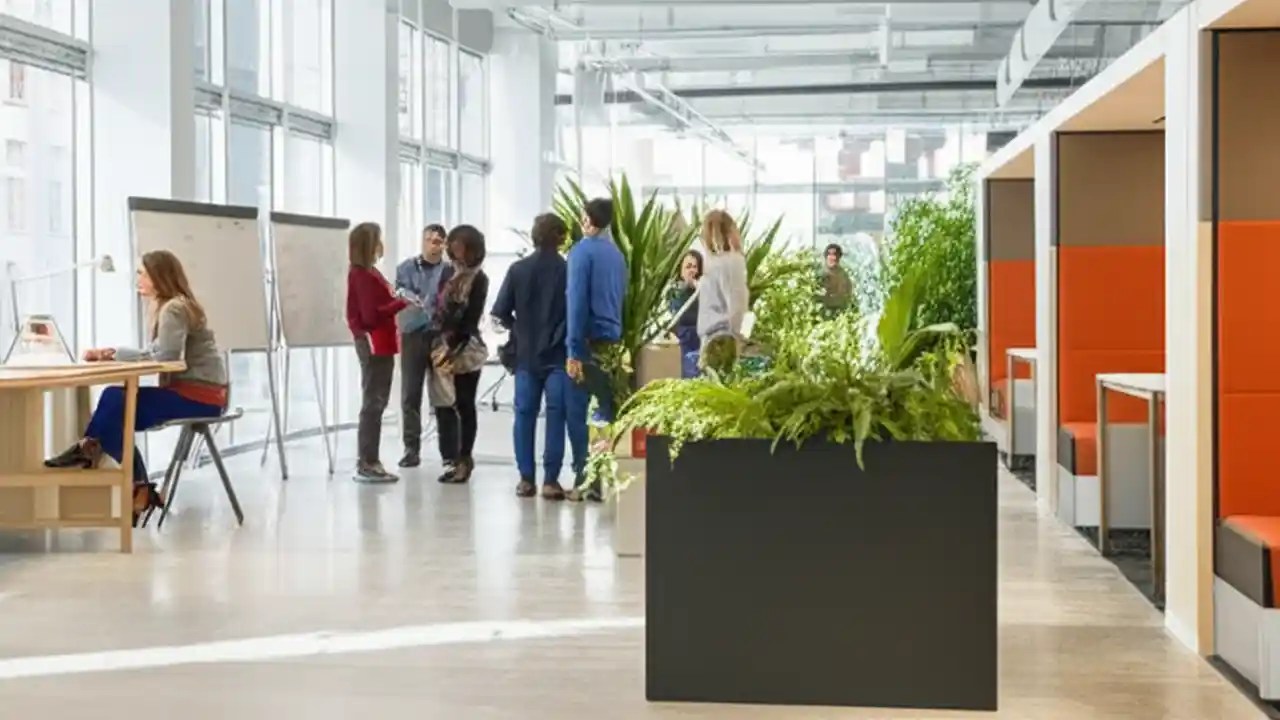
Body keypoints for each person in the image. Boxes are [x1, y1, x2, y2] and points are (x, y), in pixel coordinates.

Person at [45, 250, 229, 522]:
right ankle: (133, 484)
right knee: (114, 410)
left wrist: (115, 354)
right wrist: (113, 352)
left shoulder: (174, 308)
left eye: (143, 272)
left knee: (113, 403)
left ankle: (105, 461)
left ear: (159, 276)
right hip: (203, 394)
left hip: (198, 396)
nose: (139, 278)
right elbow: (156, 350)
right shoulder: (178, 305)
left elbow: (166, 357)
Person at [491, 213, 572, 500]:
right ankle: (551, 480)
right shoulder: (568, 271)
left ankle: (526, 478)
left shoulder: (517, 270)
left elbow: (499, 312)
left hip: (525, 354)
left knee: (524, 414)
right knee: (555, 414)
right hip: (558, 354)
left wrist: (519, 328)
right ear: (561, 237)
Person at [565, 197, 627, 502]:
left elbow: (575, 302)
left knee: (579, 413)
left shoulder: (581, 252)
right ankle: (602, 479)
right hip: (612, 340)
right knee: (605, 411)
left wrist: (573, 350)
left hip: (587, 341)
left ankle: (585, 479)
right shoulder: (617, 254)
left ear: (588, 220)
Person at [346, 222, 409, 484]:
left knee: (376, 401)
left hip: (381, 343)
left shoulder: (369, 273)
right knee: (374, 402)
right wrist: (401, 303)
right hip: (375, 344)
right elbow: (371, 315)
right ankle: (367, 461)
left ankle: (370, 460)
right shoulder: (362, 275)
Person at [431, 224, 489, 485]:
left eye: (459, 248)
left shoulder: (479, 278)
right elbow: (437, 309)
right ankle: (452, 459)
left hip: (466, 349)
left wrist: (452, 345)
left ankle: (465, 459)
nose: (454, 254)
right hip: (442, 344)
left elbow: (470, 319)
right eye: (452, 248)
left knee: (465, 404)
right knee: (446, 405)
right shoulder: (447, 273)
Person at [394, 223, 450, 468]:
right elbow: (402, 296)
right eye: (430, 240)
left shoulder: (449, 271)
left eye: (439, 241)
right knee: (410, 394)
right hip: (413, 335)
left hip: (439, 336)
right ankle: (411, 449)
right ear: (422, 241)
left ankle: (448, 453)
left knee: (443, 395)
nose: (434, 245)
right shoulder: (406, 268)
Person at [697, 210, 750, 375]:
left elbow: (737, 306)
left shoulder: (725, 263)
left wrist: (737, 337)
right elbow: (739, 304)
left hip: (720, 338)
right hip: (719, 338)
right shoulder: (729, 262)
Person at [668, 249, 703, 379]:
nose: (692, 271)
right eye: (688, 267)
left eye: (695, 267)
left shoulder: (702, 291)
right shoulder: (674, 292)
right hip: (682, 342)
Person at [821, 243, 853, 311]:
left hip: (839, 310)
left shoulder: (844, 275)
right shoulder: (820, 273)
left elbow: (848, 294)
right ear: (826, 256)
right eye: (830, 254)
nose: (833, 258)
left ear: (839, 257)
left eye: (835, 254)